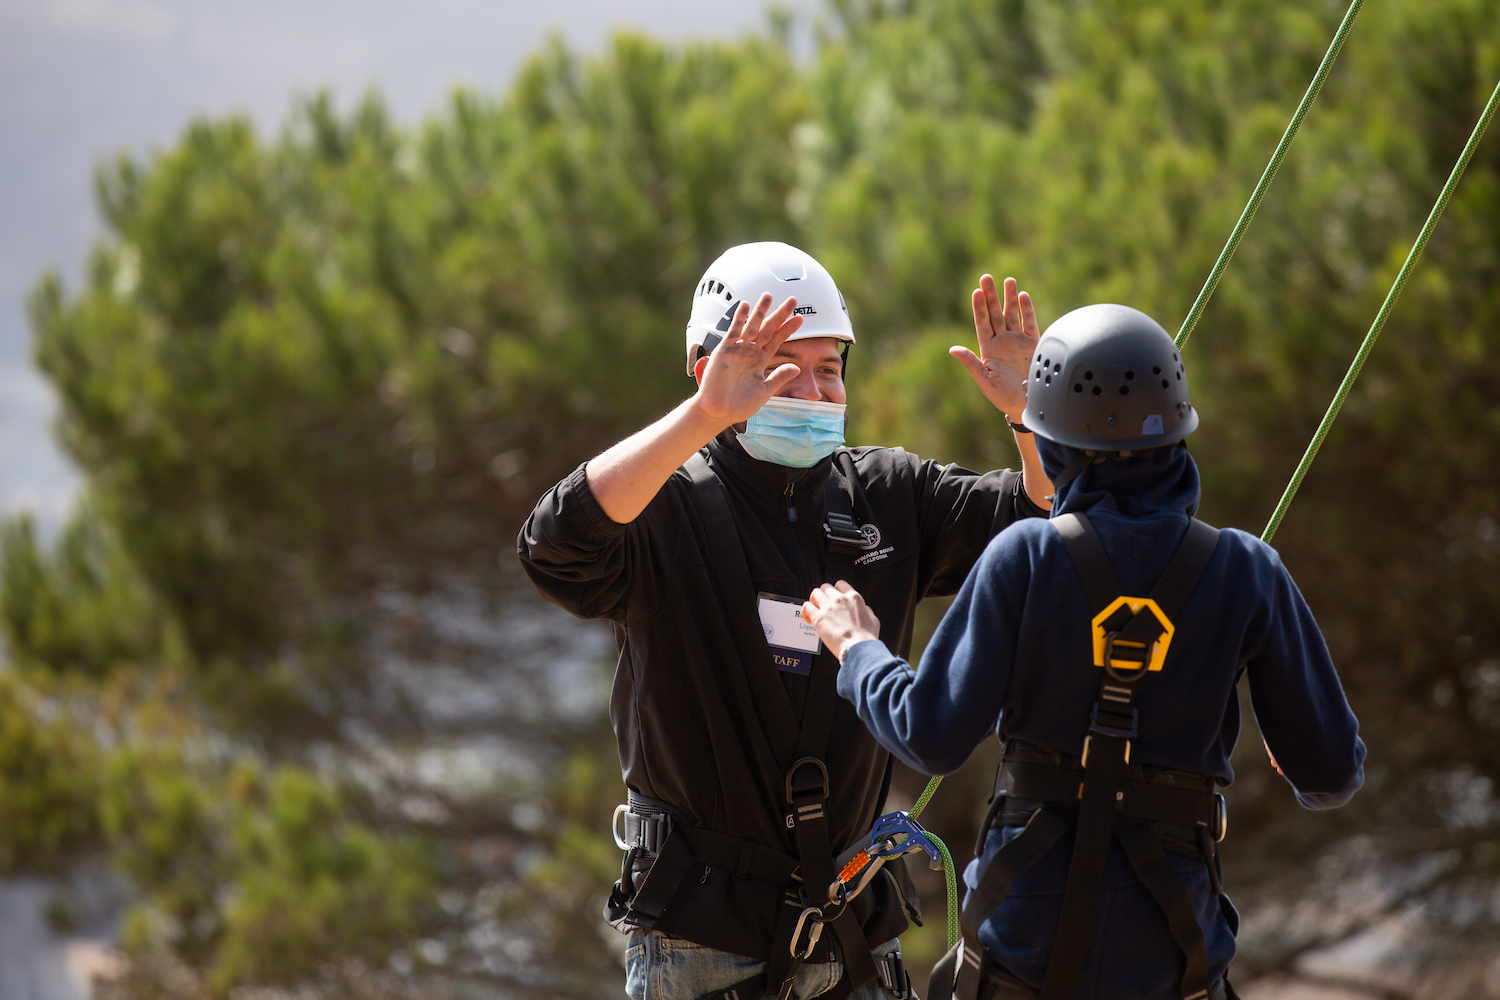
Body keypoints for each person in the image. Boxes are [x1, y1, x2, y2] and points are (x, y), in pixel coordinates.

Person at [517, 241, 1055, 1000]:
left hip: (855, 938)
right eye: (777, 367)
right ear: (708, 370)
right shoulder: (664, 506)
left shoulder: (889, 495)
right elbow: (554, 548)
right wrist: (704, 417)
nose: (812, 390)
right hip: (702, 943)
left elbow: (1043, 520)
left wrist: (1032, 415)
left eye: (829, 368)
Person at [802, 304, 1366, 1000]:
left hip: (1021, 964)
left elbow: (930, 735)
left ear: (1053, 443)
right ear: (1179, 429)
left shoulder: (1026, 557)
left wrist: (857, 648)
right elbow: (1331, 773)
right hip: (1175, 965)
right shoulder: (1247, 570)